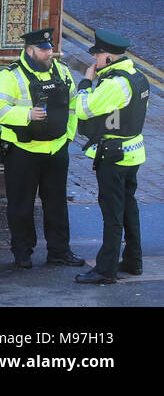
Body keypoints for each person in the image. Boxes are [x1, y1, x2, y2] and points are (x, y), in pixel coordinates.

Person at [0, 27, 84, 270]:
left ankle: (60, 252)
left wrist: (69, 135)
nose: (49, 53)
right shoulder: (10, 75)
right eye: (44, 50)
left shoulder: (62, 72)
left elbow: (73, 105)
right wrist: (27, 114)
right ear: (30, 50)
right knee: (21, 205)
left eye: (50, 48)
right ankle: (22, 252)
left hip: (56, 149)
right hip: (23, 150)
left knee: (57, 204)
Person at [73, 29, 150, 285]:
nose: (94, 61)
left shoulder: (115, 84)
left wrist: (86, 82)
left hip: (113, 157)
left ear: (108, 58)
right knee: (129, 208)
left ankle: (105, 270)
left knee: (112, 214)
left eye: (97, 56)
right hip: (133, 154)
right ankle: (133, 261)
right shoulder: (138, 77)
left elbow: (84, 110)